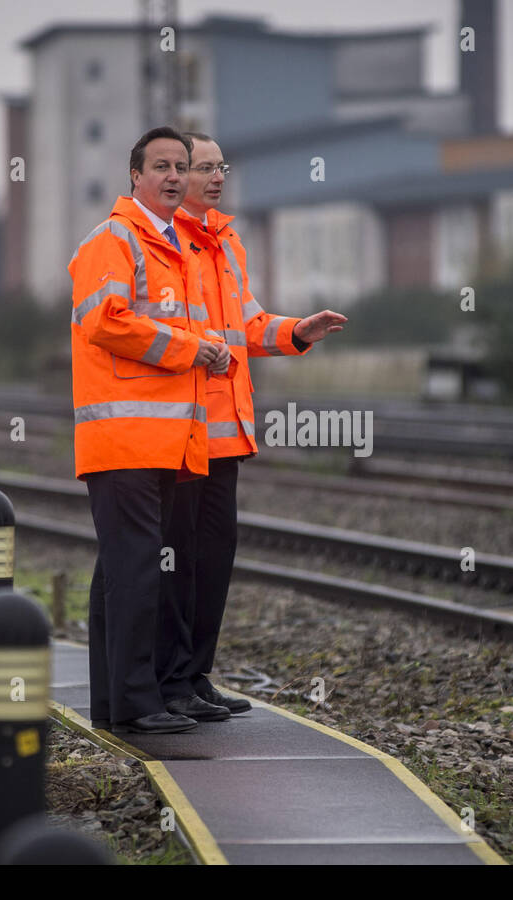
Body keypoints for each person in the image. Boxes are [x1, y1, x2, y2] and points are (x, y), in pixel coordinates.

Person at [156, 132, 347, 716]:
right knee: (178, 559)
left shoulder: (226, 241)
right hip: (182, 433)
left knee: (214, 557)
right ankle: (169, 682)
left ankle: (194, 675)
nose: (218, 177)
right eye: (205, 168)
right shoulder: (168, 242)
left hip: (226, 433)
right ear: (177, 176)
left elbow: (246, 323)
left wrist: (294, 332)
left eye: (222, 167)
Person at [69, 126, 237, 734]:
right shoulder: (113, 240)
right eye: (161, 165)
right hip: (123, 439)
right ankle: (136, 704)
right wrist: (193, 349)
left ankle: (123, 703)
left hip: (168, 441)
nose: (174, 176)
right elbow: (104, 322)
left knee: (137, 572)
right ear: (134, 175)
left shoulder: (175, 249)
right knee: (137, 572)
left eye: (180, 165)